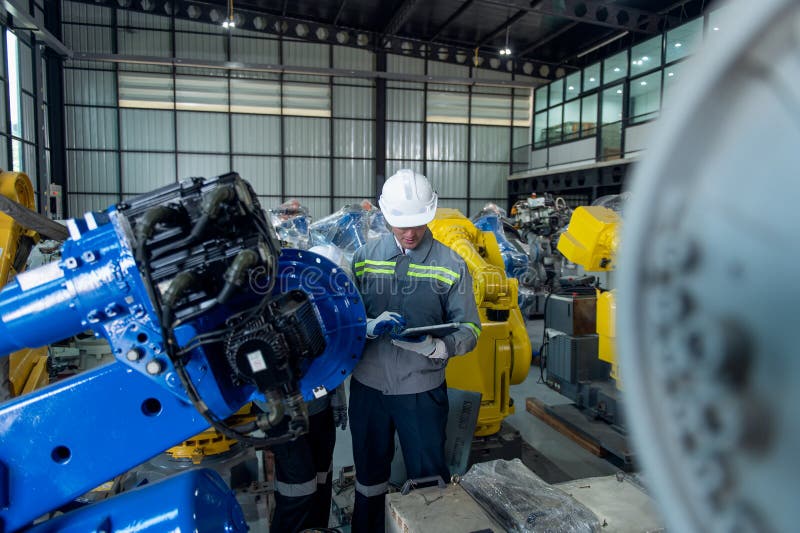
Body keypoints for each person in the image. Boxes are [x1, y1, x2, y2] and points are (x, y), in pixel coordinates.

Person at [348, 169, 481, 532]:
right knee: (369, 477)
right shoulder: (362, 258)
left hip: (421, 390)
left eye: (418, 223)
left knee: (429, 481)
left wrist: (441, 347)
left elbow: (470, 327)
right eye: (400, 224)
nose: (409, 232)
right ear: (385, 215)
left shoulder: (452, 266)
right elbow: (342, 320)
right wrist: (365, 327)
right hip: (368, 389)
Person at [268, 385, 347, 532]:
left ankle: (318, 530)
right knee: (298, 489)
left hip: (319, 401)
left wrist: (337, 392)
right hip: (280, 410)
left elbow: (328, 361)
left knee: (321, 480)